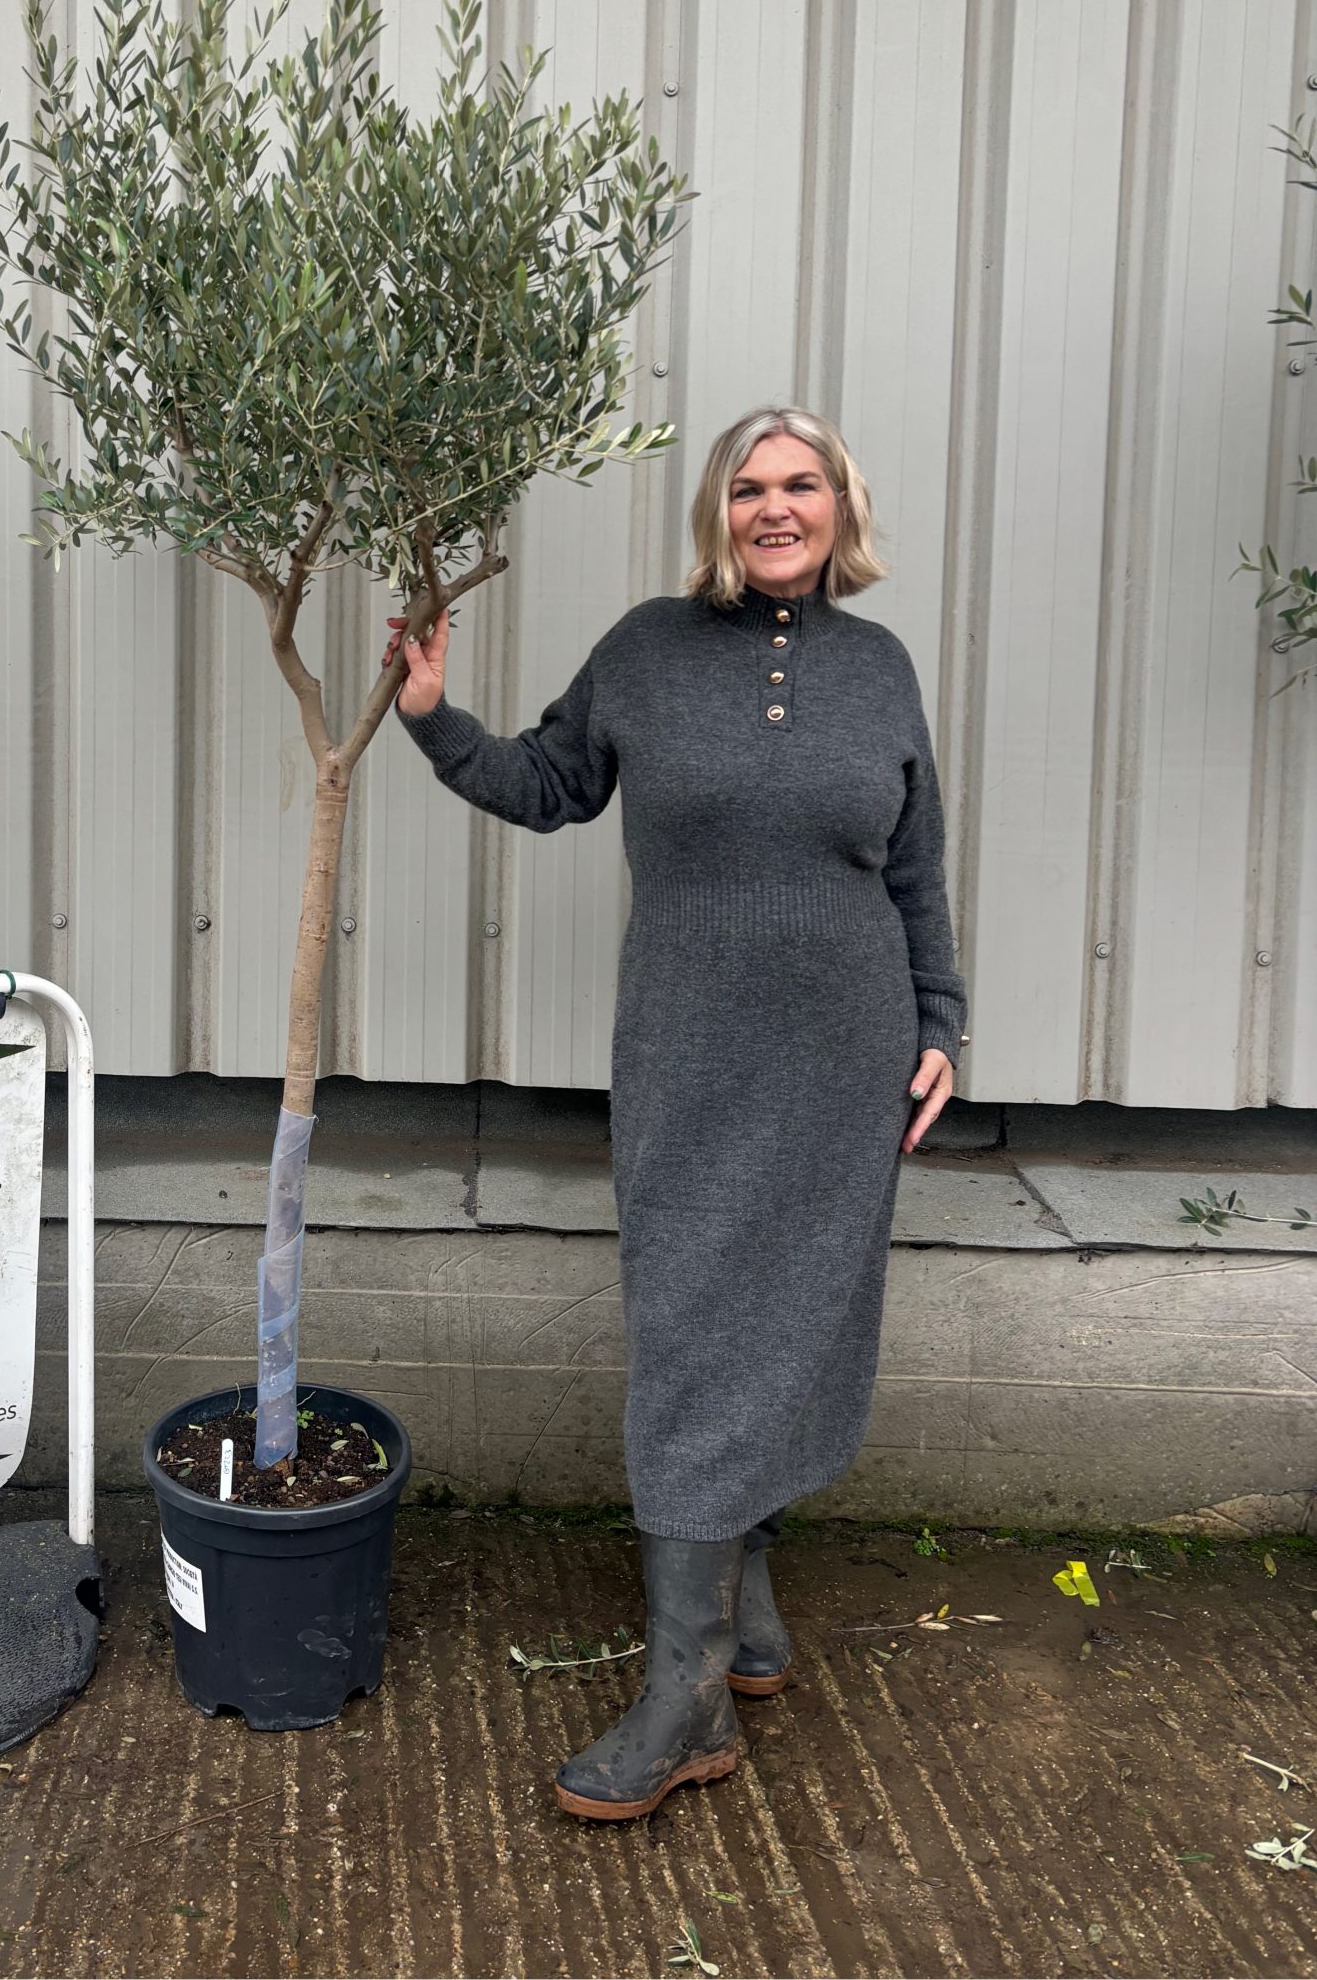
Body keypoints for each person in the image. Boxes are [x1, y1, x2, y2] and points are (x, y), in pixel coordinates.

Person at [387, 406, 966, 1822]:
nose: (778, 509)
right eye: (752, 487)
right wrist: (430, 720)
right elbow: (551, 783)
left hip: (848, 1056)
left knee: (799, 1313)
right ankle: (694, 1672)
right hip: (691, 1055)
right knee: (699, 1321)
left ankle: (713, 1662)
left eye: (803, 484)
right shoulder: (646, 648)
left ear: (840, 507)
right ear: (721, 512)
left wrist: (942, 1023)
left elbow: (915, 871)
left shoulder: (880, 669)